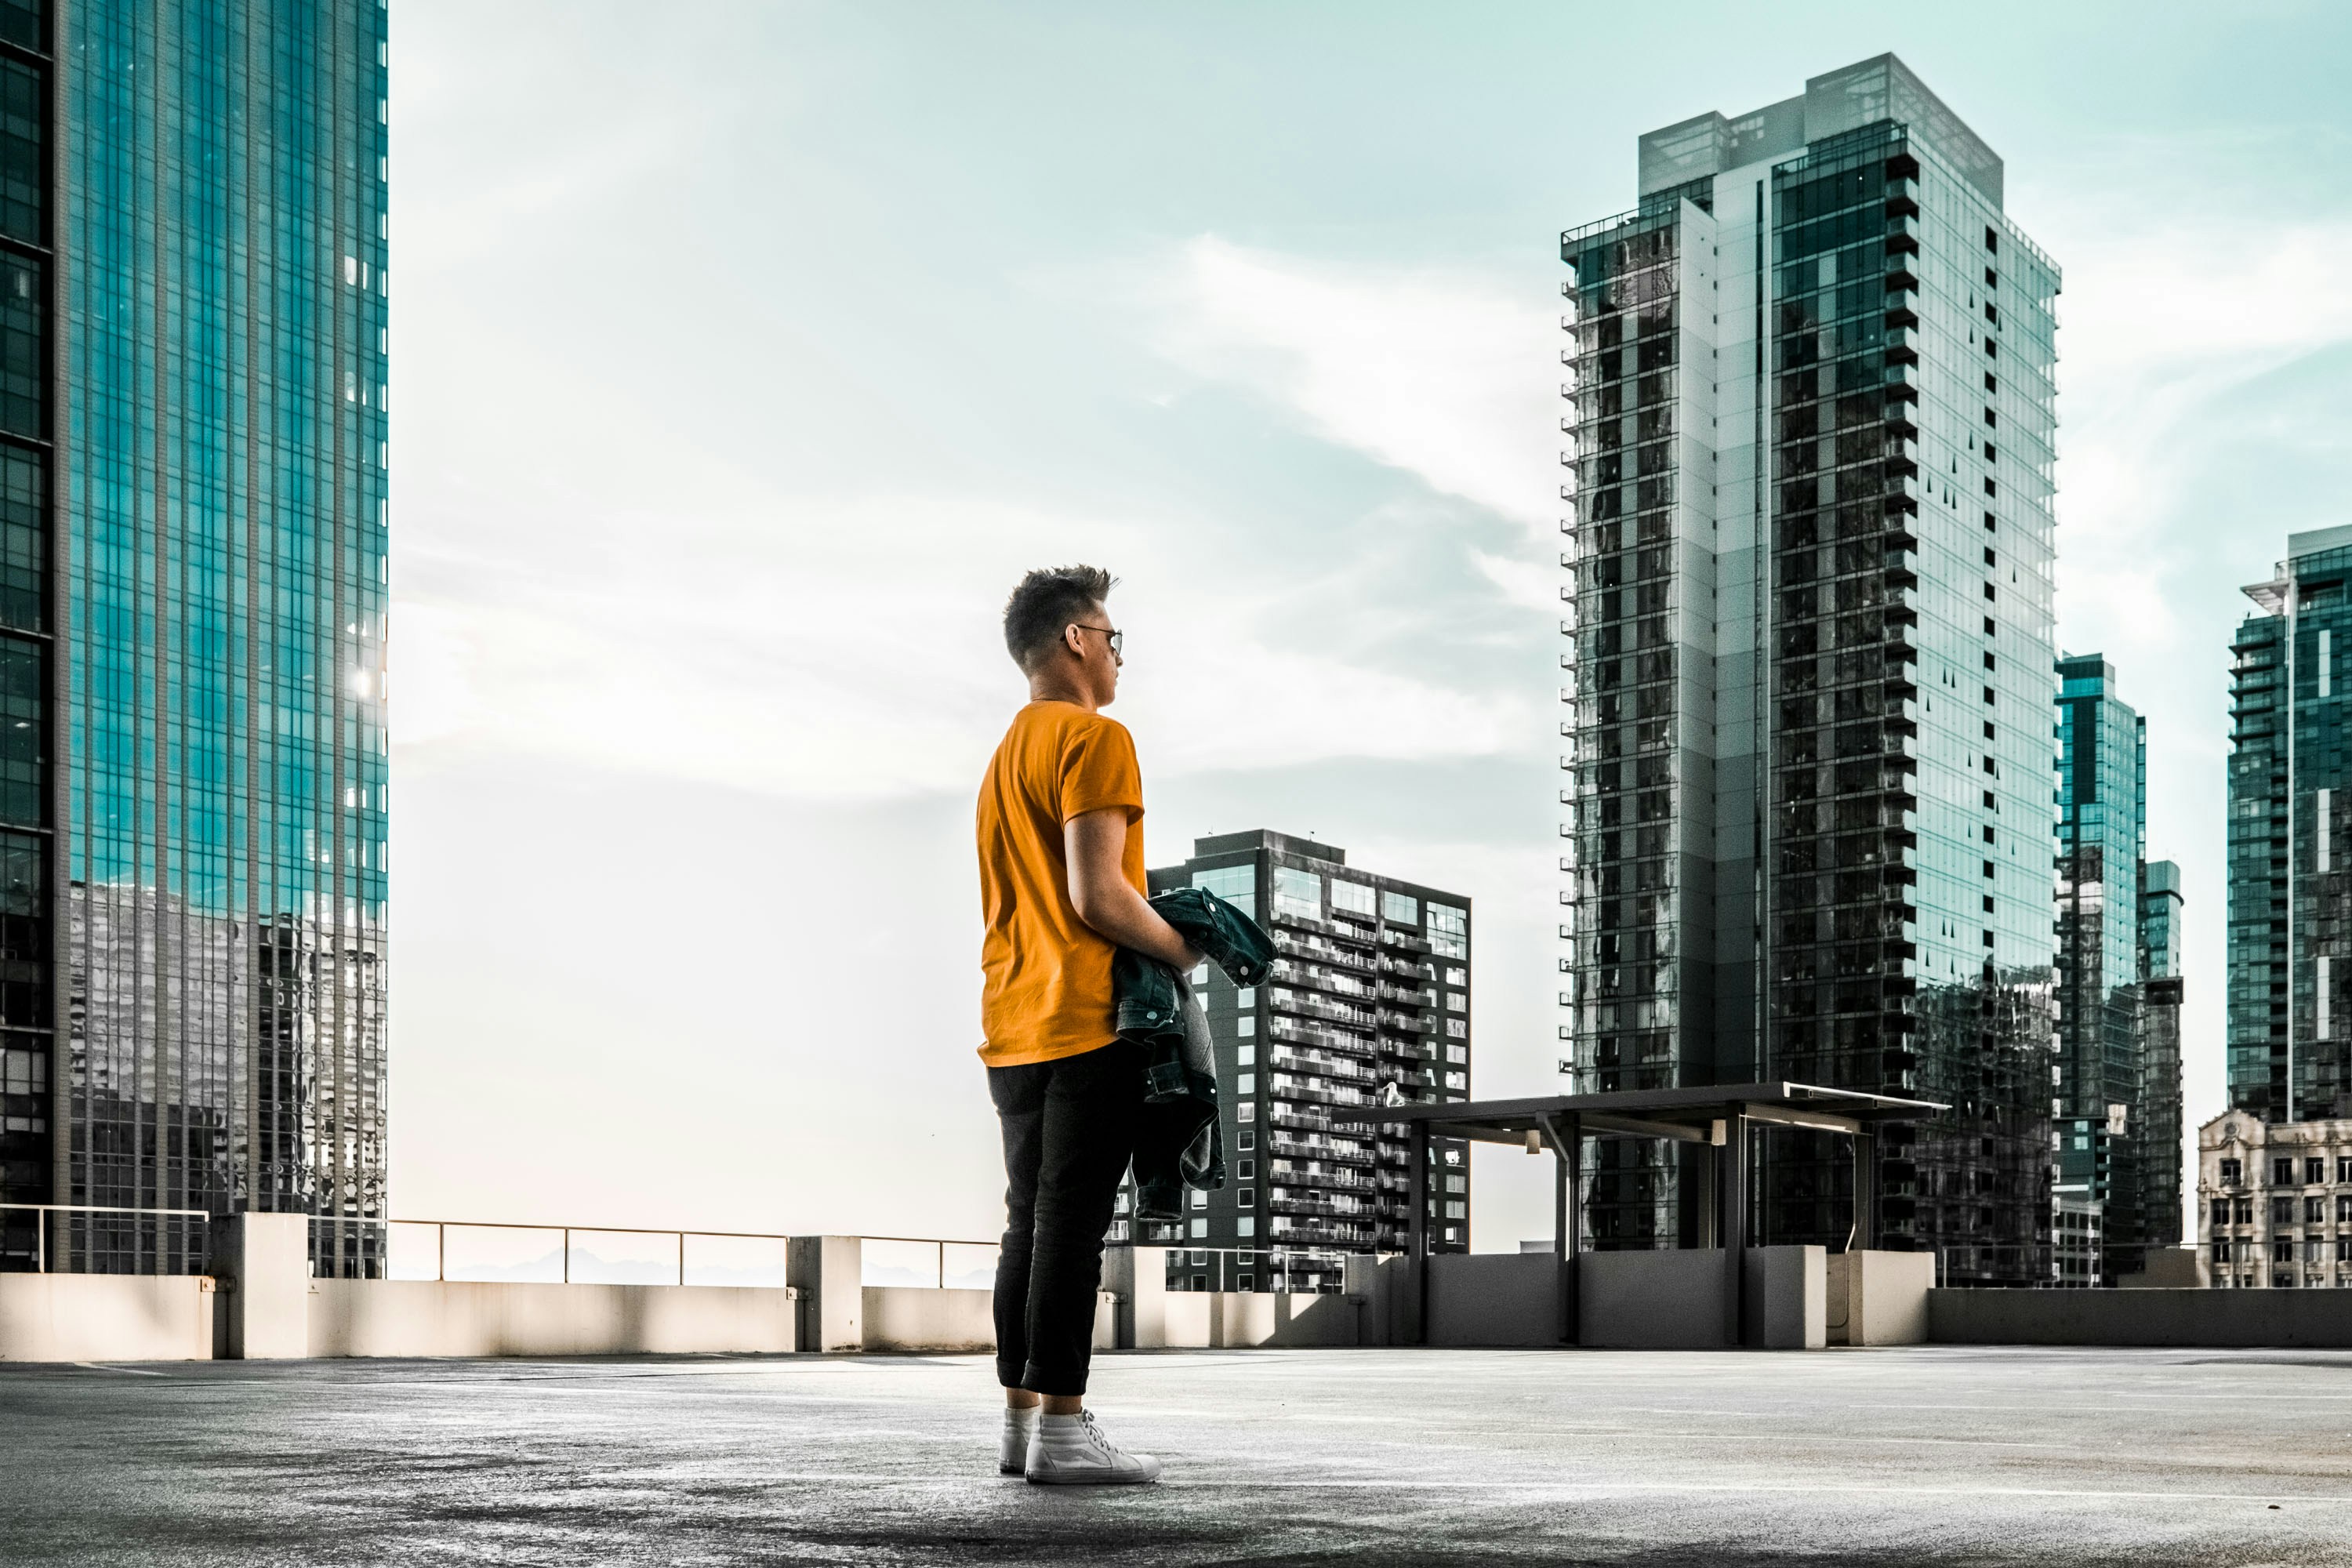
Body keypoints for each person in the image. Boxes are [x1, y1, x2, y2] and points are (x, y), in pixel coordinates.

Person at [975, 565, 1199, 1486]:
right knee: (1072, 1225)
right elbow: (1100, 894)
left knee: (1028, 1223)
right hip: (1087, 1016)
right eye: (1111, 637)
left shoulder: (1002, 760)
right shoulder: (1095, 738)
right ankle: (1066, 1429)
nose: (1115, 655)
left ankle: (1023, 1423)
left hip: (1011, 1019)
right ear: (1075, 639)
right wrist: (1183, 949)